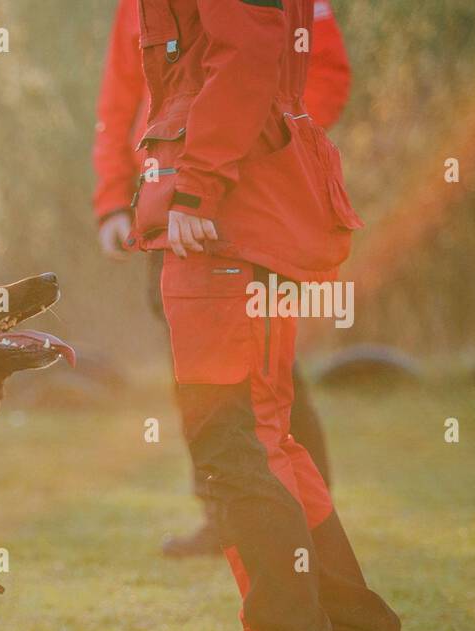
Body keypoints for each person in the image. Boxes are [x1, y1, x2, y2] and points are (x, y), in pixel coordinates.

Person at [127, 0, 408, 631]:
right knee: (265, 438)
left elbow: (245, 57)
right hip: (239, 216)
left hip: (224, 222)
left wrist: (198, 183)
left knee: (234, 443)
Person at [93, 0, 349, 557]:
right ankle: (225, 512)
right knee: (197, 376)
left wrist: (268, 149)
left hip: (244, 196)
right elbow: (121, 95)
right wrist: (114, 198)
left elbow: (312, 74)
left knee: (268, 377)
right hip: (172, 203)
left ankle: (303, 520)